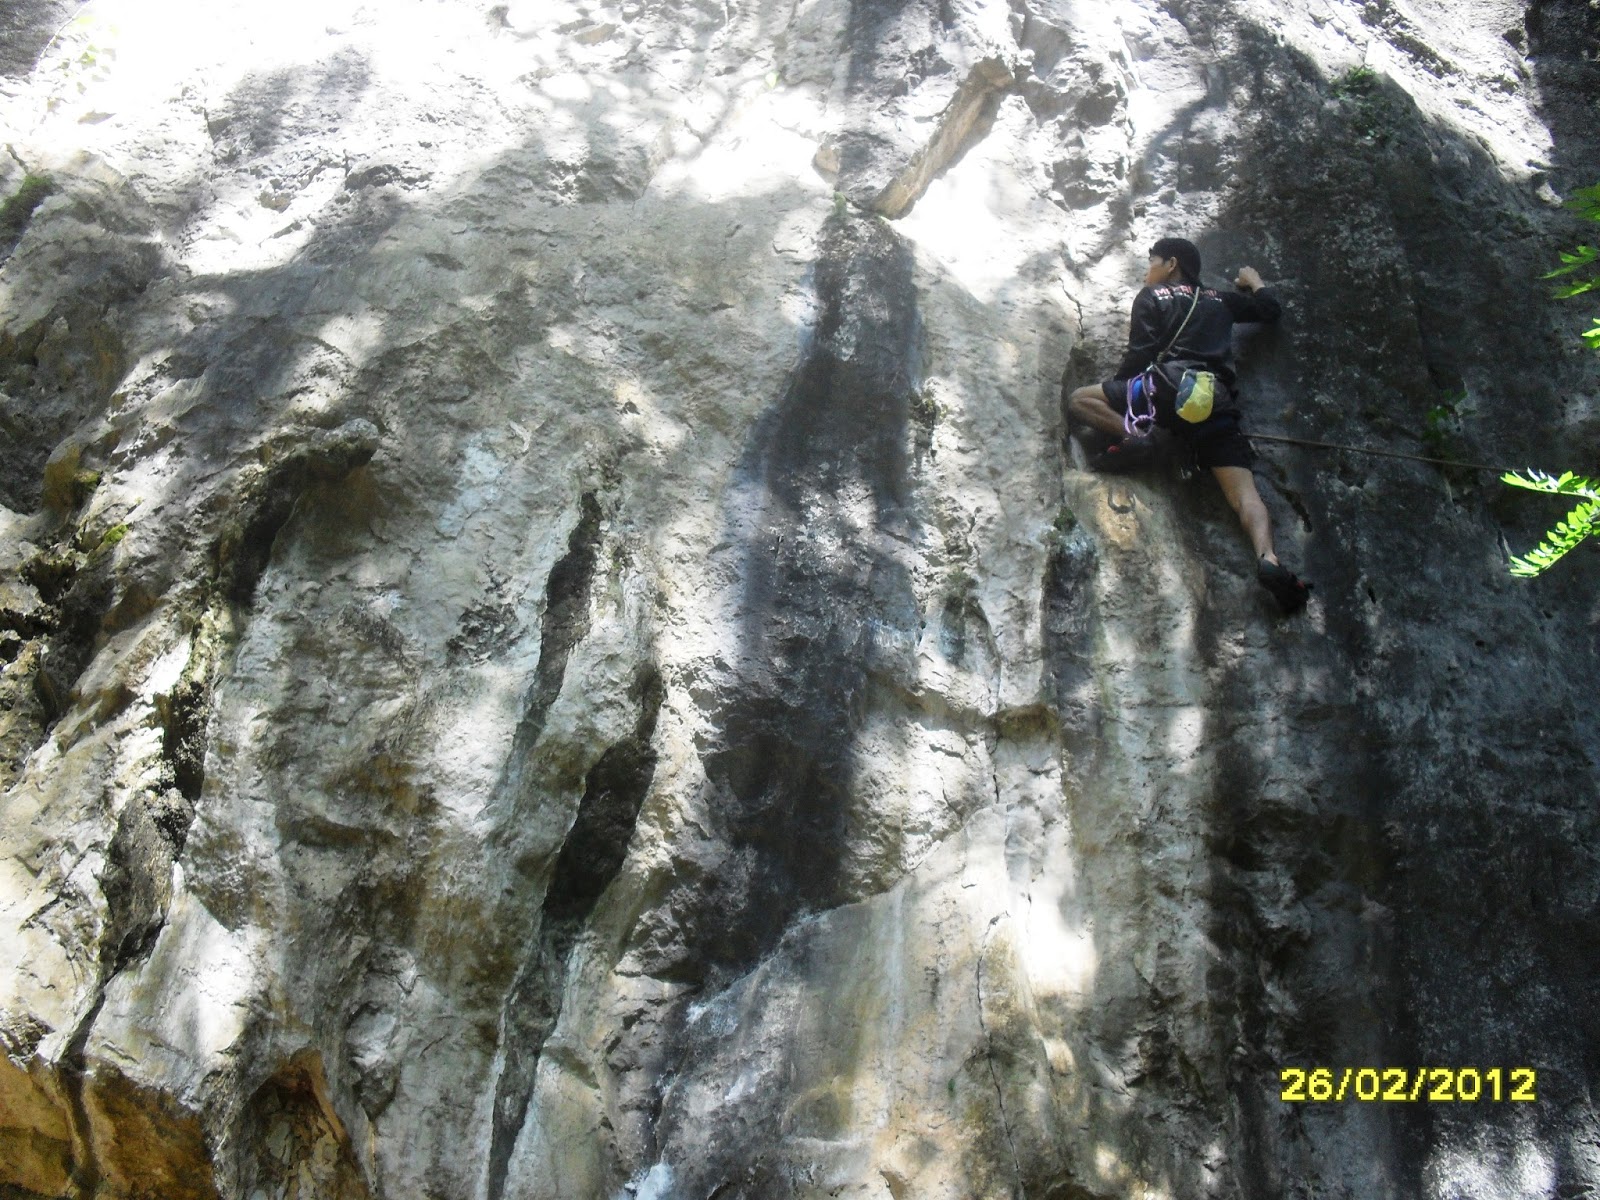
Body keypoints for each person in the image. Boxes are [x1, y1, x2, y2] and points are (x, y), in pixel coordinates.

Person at [1066, 237, 1311, 615]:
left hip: (1164, 389)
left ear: (1171, 264)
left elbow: (1141, 353)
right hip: (1213, 402)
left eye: (1152, 261)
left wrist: (1123, 397)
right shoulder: (1221, 299)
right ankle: (1268, 558)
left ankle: (1138, 436)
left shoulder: (1152, 296)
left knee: (1080, 398)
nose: (1147, 270)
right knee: (1245, 495)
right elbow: (1269, 310)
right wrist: (1254, 280)